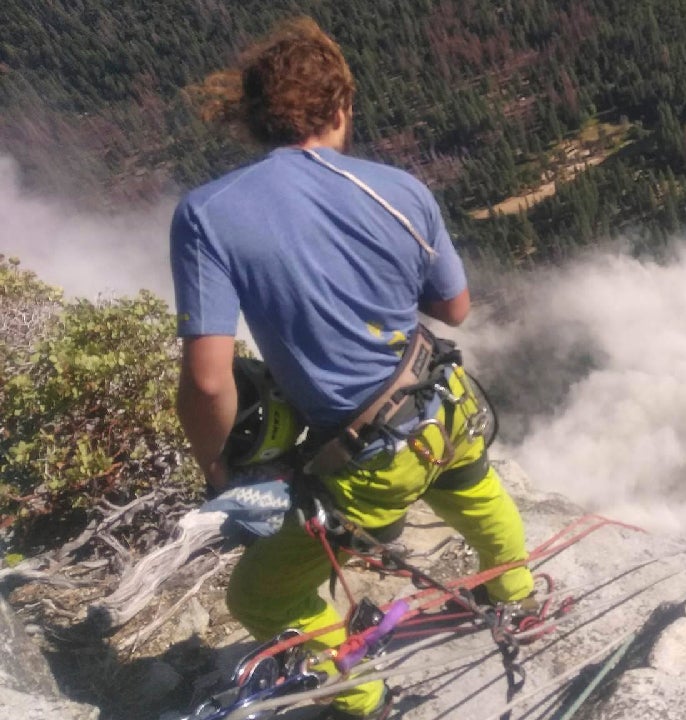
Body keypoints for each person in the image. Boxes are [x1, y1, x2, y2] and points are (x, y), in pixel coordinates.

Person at [169, 17, 533, 719]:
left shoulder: (208, 215)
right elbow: (454, 309)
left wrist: (217, 470)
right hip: (443, 401)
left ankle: (362, 700)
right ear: (340, 107)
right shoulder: (400, 189)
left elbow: (209, 380)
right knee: (474, 490)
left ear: (252, 119)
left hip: (366, 454)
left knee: (260, 595)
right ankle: (515, 600)